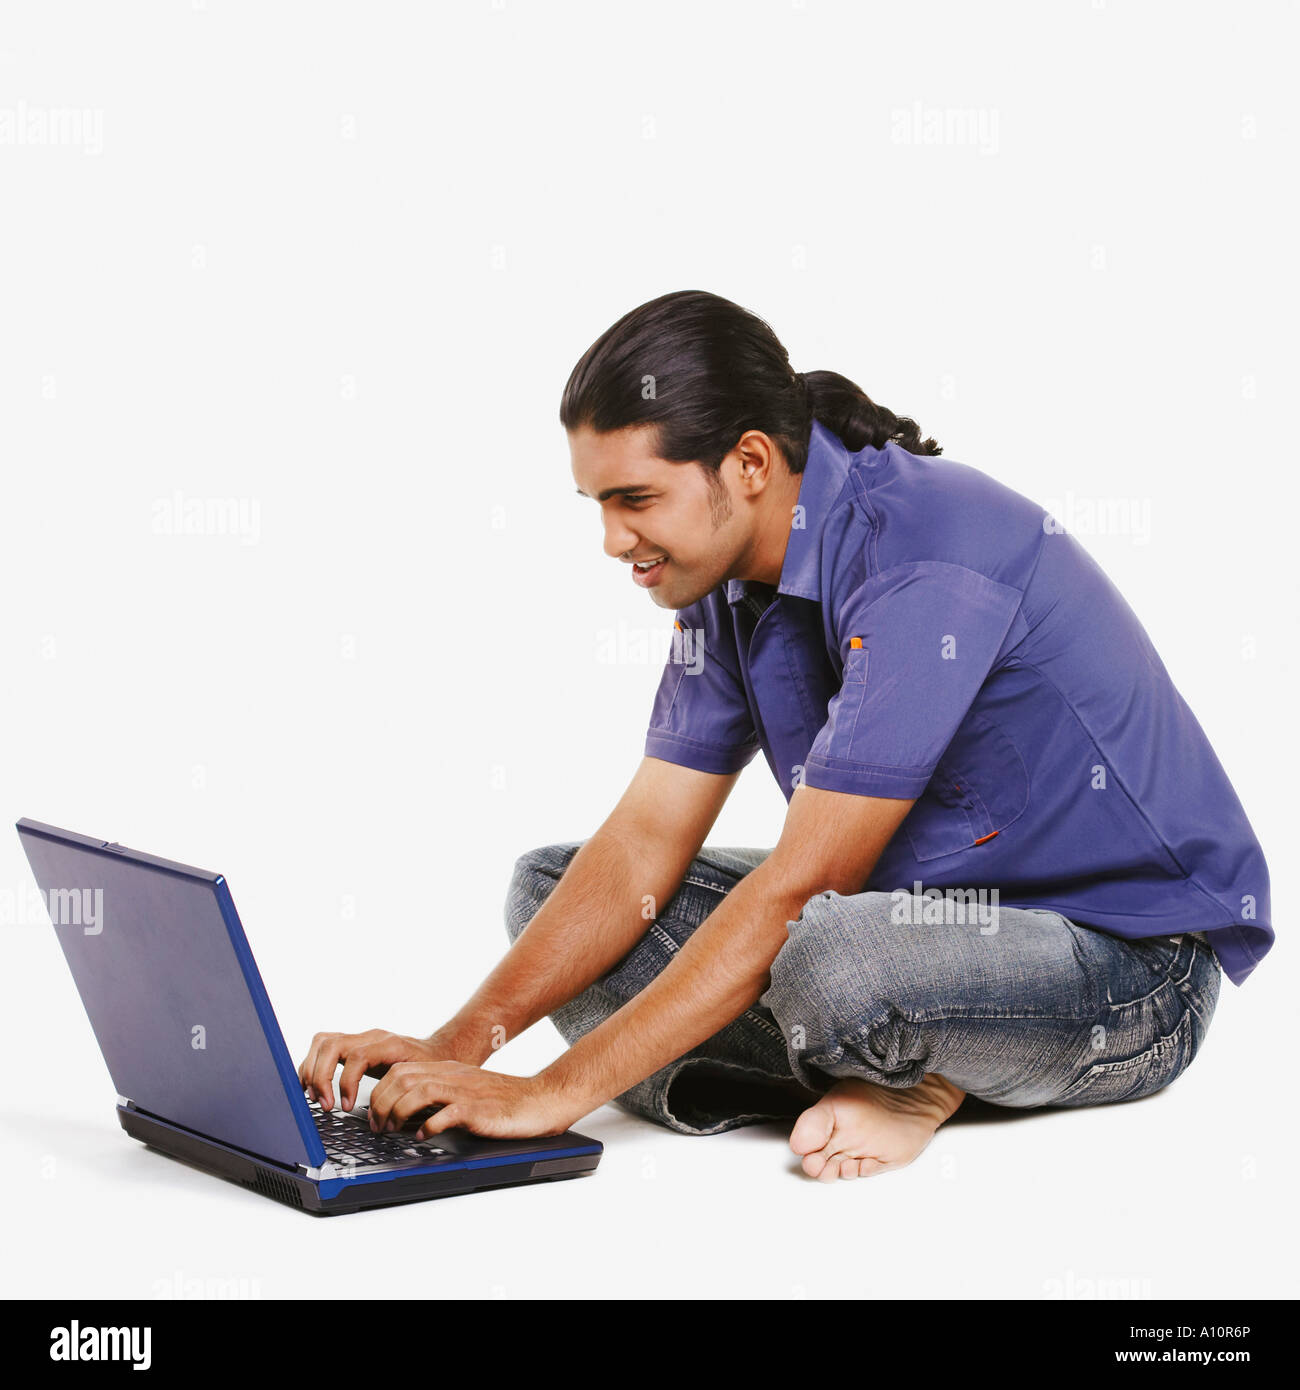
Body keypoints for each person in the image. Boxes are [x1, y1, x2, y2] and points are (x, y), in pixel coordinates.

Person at [298, 290, 1272, 1182]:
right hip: (905, 923)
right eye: (597, 503)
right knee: (551, 886)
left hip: (1126, 974)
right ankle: (886, 1065)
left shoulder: (924, 557)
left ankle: (921, 1073)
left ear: (750, 464)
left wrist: (554, 1092)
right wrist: (458, 1047)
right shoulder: (721, 582)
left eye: (635, 499)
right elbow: (644, 836)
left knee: (831, 954)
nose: (610, 538)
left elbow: (805, 887)